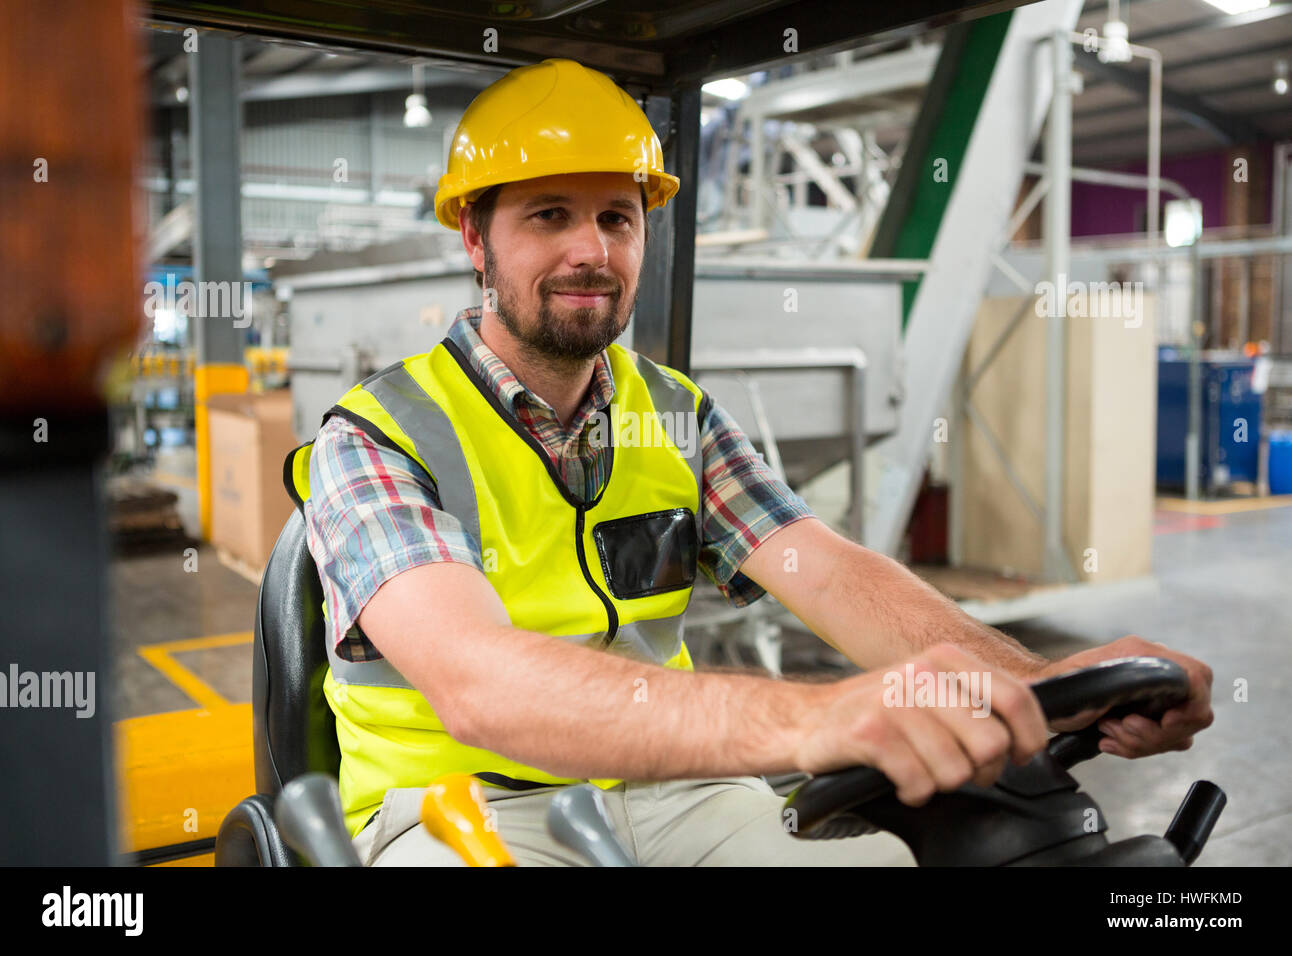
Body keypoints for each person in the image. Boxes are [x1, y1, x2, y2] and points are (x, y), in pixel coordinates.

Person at [290, 58, 1214, 866]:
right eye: (547, 215)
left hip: (673, 788)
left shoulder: (675, 414)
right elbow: (479, 686)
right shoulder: (377, 437)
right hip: (458, 808)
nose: (591, 250)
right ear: (474, 239)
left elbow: (832, 572)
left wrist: (1026, 682)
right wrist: (815, 718)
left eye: (618, 216)